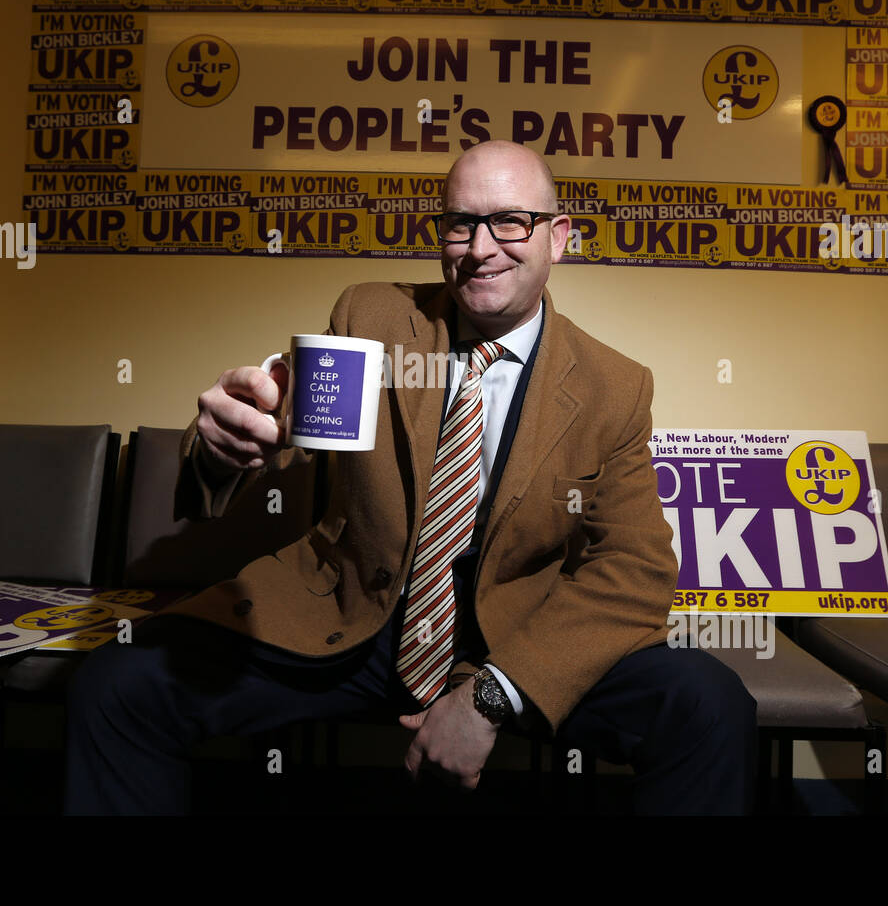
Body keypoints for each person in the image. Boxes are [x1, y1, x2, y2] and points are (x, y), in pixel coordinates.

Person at [64, 140, 756, 814]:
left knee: (709, 707)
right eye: (461, 223)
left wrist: (492, 695)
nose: (482, 247)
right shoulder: (372, 317)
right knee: (119, 685)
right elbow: (289, 431)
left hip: (514, 642)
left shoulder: (615, 386)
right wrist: (226, 447)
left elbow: (634, 570)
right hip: (351, 622)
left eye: (510, 221)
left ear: (560, 237)